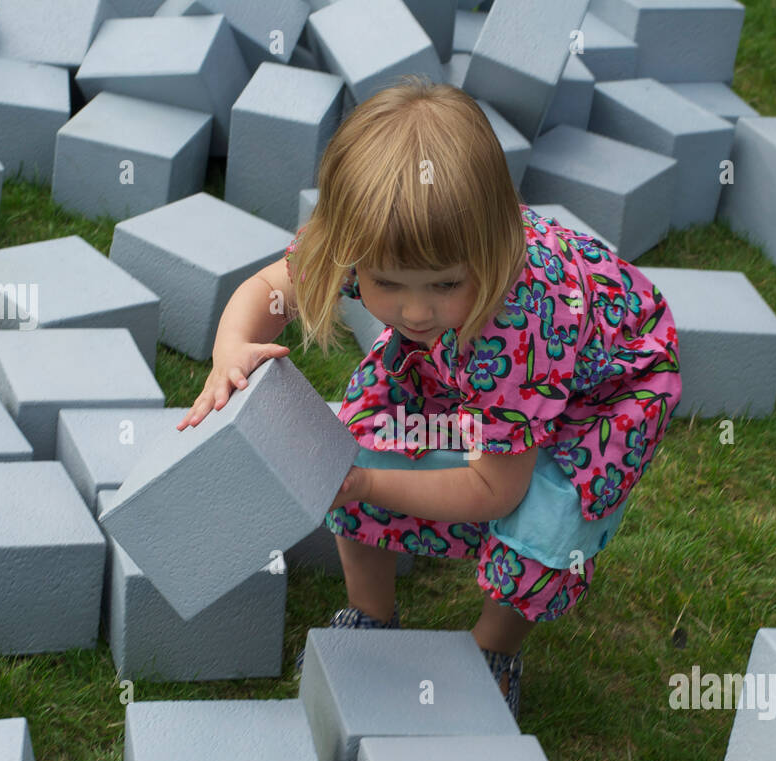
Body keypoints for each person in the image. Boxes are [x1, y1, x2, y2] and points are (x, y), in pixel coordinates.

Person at [178, 76, 682, 719]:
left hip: (606, 384)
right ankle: (370, 613)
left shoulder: (519, 324)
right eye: (389, 284)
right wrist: (231, 352)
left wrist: (362, 484)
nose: (414, 310)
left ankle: (492, 653)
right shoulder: (379, 253)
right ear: (353, 251)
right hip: (483, 351)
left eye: (443, 283)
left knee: (546, 517)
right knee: (358, 440)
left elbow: (496, 489)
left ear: (491, 252)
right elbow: (270, 289)